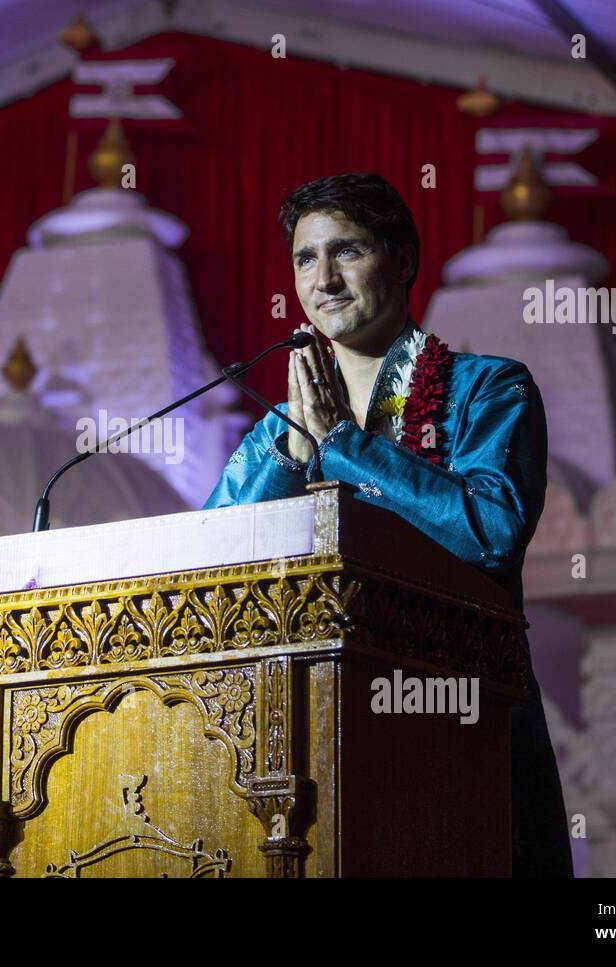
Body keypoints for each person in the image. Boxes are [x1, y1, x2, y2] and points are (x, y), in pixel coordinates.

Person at [205, 172, 573, 877]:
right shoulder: (279, 430)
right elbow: (211, 560)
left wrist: (345, 445)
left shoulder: (488, 389)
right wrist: (294, 455)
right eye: (306, 259)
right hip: (307, 747)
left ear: (404, 259)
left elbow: (490, 530)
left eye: (349, 251)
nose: (325, 278)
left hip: (461, 724)